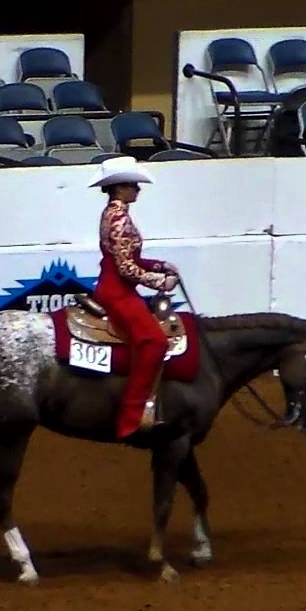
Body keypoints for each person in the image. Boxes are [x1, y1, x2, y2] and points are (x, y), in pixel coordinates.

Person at [89, 156, 180, 443]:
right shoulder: (117, 217)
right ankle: (132, 416)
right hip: (116, 290)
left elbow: (132, 258)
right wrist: (159, 282)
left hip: (118, 286)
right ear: (119, 188)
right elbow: (126, 267)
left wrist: (158, 264)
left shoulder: (117, 214)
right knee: (154, 342)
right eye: (134, 185)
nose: (138, 190)